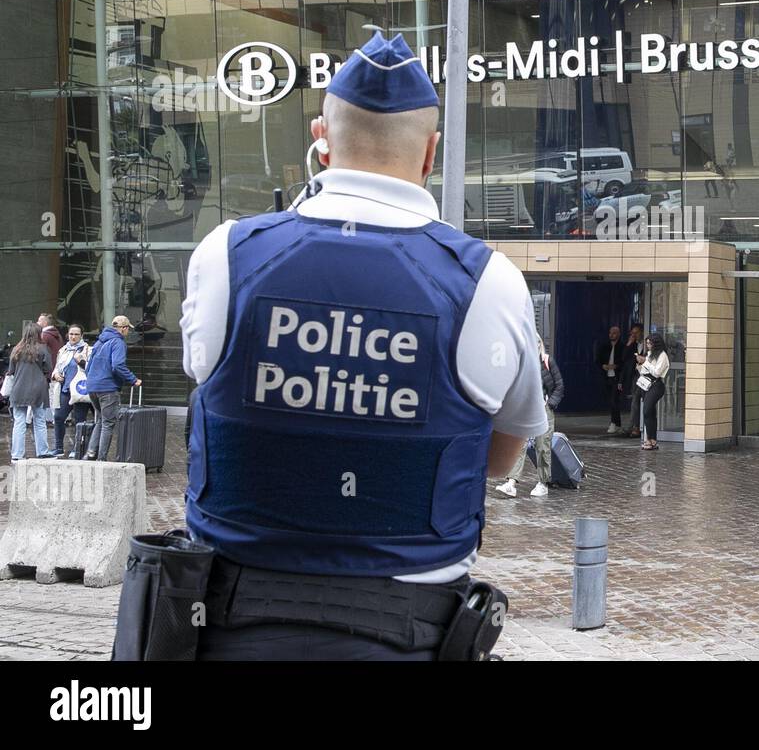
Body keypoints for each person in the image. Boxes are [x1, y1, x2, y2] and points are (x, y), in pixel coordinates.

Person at [175, 32, 547, 660]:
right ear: (431, 152)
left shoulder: (228, 253)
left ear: (320, 135)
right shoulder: (490, 281)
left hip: (230, 626)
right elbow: (499, 461)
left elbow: (217, 396)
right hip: (408, 635)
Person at [497, 338, 564, 498]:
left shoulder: (548, 361)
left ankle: (543, 482)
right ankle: (511, 483)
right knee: (518, 445)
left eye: (537, 343)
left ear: (540, 345)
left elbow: (559, 386)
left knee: (542, 446)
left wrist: (550, 404)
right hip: (526, 410)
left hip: (543, 409)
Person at [83, 315, 140, 461]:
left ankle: (90, 453)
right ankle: (101, 459)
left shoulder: (99, 342)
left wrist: (91, 380)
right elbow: (117, 365)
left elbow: (88, 366)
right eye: (127, 329)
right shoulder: (118, 342)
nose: (128, 332)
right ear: (123, 328)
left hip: (92, 387)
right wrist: (133, 379)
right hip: (107, 387)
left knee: (101, 420)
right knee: (108, 423)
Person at [5, 322, 55, 461]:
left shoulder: (16, 350)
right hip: (38, 388)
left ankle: (17, 454)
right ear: (39, 334)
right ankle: (42, 451)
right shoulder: (43, 349)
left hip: (19, 388)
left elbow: (11, 371)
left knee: (19, 421)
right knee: (39, 420)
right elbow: (48, 369)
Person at [50, 324, 91, 458]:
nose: (73, 337)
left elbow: (91, 369)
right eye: (71, 334)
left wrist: (81, 362)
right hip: (65, 389)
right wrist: (55, 375)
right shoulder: (63, 350)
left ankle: (77, 449)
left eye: (76, 334)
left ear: (81, 336)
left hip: (80, 389)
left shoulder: (87, 350)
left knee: (79, 420)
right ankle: (59, 448)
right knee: (58, 417)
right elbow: (57, 367)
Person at [633, 332, 670, 450]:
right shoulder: (649, 354)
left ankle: (650, 439)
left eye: (650, 343)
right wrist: (640, 364)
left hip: (656, 385)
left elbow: (657, 372)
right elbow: (644, 370)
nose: (648, 345)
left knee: (647, 410)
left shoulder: (662, 355)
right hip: (645, 384)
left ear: (656, 344)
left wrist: (645, 362)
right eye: (647, 343)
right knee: (650, 412)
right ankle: (652, 440)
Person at [596, 325, 626, 435]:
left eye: (614, 333)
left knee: (614, 400)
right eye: (610, 333)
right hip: (606, 376)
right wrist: (603, 366)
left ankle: (614, 423)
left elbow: (624, 361)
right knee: (611, 401)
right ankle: (617, 424)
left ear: (618, 334)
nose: (611, 335)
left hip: (616, 377)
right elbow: (597, 359)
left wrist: (616, 366)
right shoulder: (604, 346)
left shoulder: (622, 346)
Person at [620, 323, 645, 438]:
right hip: (636, 376)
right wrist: (629, 344)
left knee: (642, 402)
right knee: (635, 401)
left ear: (642, 332)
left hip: (646, 375)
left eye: (636, 333)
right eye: (632, 333)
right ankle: (634, 426)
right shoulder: (633, 345)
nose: (634, 335)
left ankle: (638, 427)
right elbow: (623, 358)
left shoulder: (646, 344)